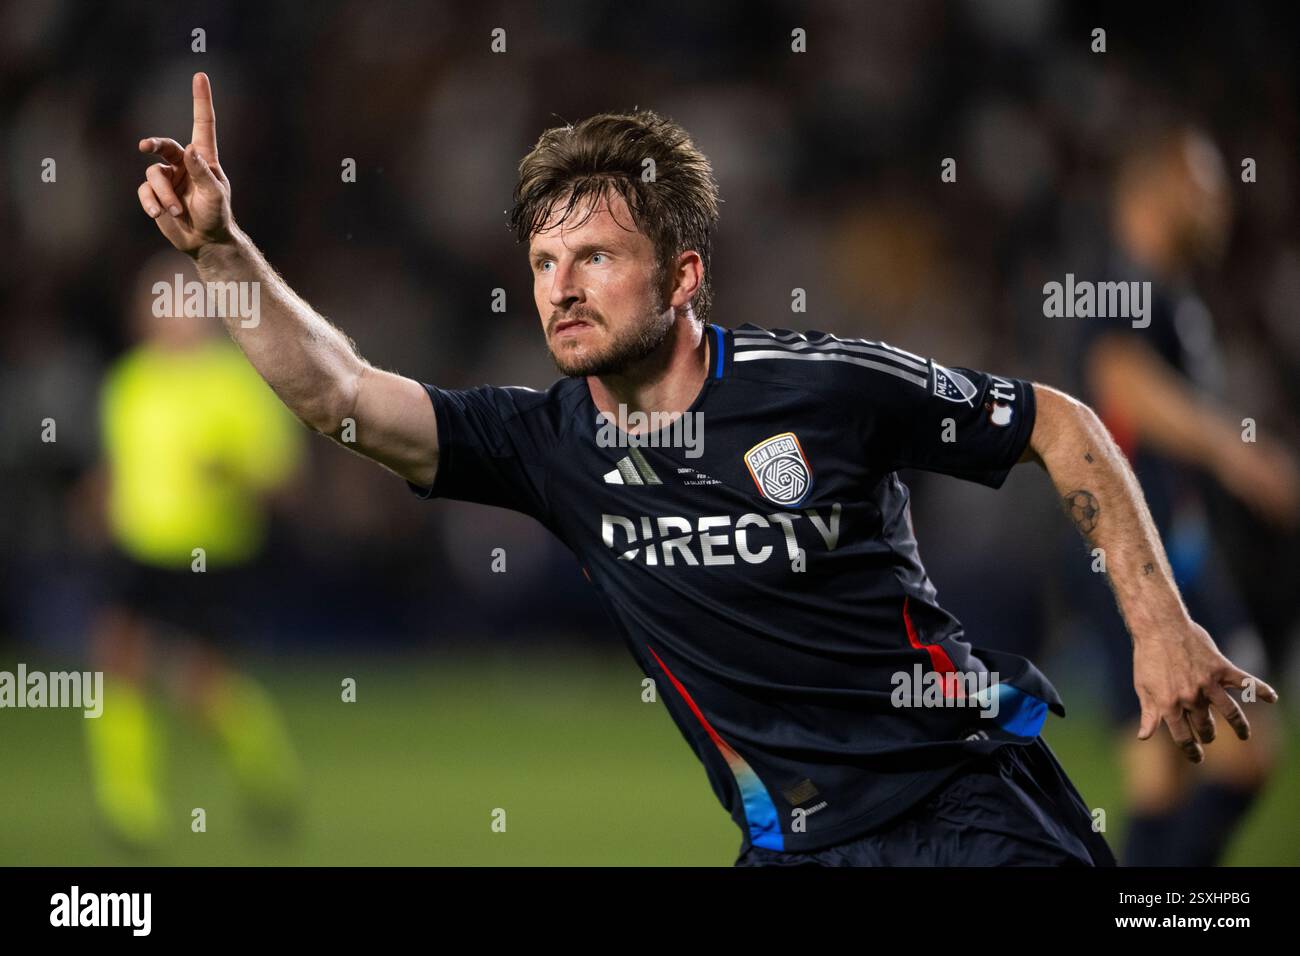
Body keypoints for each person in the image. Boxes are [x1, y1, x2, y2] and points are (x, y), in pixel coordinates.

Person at [131, 73, 1278, 865]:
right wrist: (224, 253)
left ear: (682, 276)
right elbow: (336, 392)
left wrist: (1158, 620)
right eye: (540, 260)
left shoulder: (821, 386)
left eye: (594, 255)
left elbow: (1060, 422)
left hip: (963, 806)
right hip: (795, 841)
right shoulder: (543, 444)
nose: (559, 287)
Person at [1075, 128, 1299, 864]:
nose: (1219, 204)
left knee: (1164, 780)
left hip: (1167, 548)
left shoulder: (1170, 291)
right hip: (1144, 555)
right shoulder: (1124, 282)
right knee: (1244, 750)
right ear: (1152, 193)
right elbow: (1118, 377)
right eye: (1201, 187)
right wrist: (1234, 454)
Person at [88, 248, 304, 847]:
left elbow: (282, 478)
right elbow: (122, 465)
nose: (171, 315)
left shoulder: (234, 381)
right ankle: (129, 806)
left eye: (182, 302)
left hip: (210, 553)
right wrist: (97, 498)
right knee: (117, 659)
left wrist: (233, 474)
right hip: (139, 550)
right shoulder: (128, 382)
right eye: (158, 303)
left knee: (199, 683)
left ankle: (265, 766)